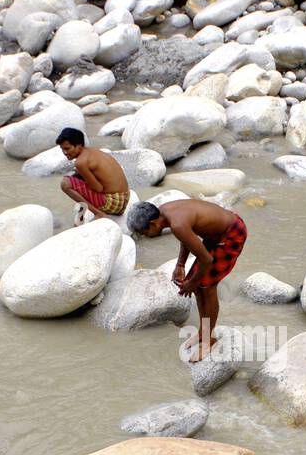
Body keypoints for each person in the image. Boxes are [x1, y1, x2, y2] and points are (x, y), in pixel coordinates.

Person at [126, 198, 247, 363]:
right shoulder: (165, 212)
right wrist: (180, 265)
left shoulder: (177, 223)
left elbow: (206, 260)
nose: (145, 237)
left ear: (153, 224)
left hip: (231, 233)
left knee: (207, 286)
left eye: (143, 233)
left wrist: (192, 283)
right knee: (198, 287)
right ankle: (203, 333)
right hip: (215, 234)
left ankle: (209, 340)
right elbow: (186, 236)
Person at [56, 128, 130, 220]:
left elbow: (98, 188)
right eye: (62, 149)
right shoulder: (93, 152)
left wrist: (80, 176)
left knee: (65, 183)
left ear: (79, 145)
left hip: (113, 203)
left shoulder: (81, 162)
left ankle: (99, 214)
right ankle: (81, 215)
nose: (65, 152)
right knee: (76, 178)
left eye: (67, 148)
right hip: (124, 200)